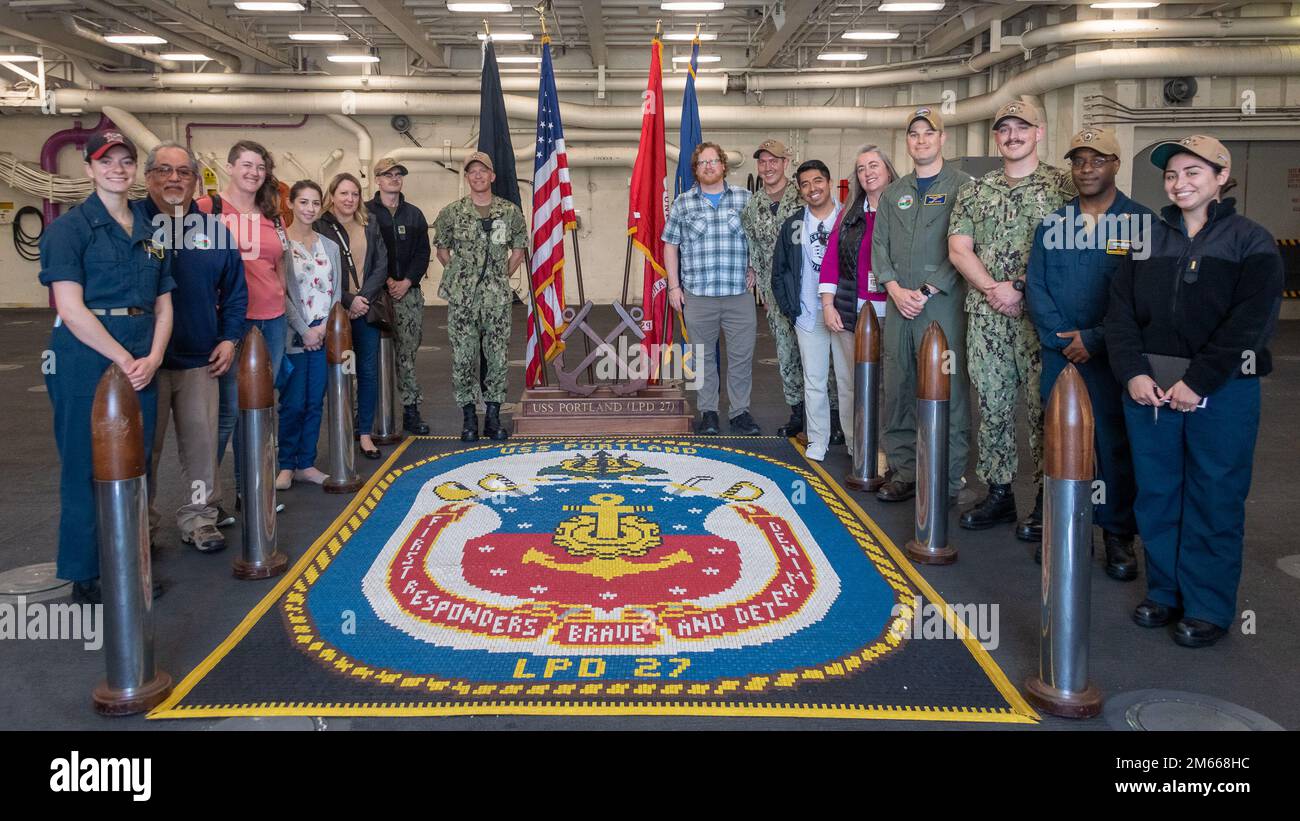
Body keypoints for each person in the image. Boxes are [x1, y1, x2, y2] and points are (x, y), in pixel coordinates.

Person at [1107, 135, 1282, 647]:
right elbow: (1119, 313)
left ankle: (1206, 606)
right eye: (1171, 175)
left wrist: (1198, 382)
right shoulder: (1145, 239)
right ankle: (1164, 591)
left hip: (1222, 392)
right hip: (1149, 392)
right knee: (1158, 495)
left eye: (1193, 173)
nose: (1179, 183)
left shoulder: (1252, 241)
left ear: (1221, 177)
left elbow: (1248, 325)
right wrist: (1134, 374)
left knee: (1214, 496)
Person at [40, 130, 175, 603]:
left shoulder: (149, 229)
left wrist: (154, 356)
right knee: (87, 464)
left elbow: (164, 301)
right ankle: (87, 571)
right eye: (106, 161)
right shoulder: (69, 230)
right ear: (89, 169)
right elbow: (71, 308)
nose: (117, 169)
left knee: (133, 466)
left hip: (142, 351)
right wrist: (122, 359)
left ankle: (128, 563)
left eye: (125, 161)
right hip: (86, 356)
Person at [1026, 127, 1152, 576]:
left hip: (1115, 359)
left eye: (1097, 160)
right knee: (1061, 443)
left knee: (1115, 447)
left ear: (1116, 165)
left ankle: (1118, 534)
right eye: (1078, 161)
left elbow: (1144, 298)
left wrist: (1094, 339)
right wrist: (1064, 338)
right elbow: (1037, 287)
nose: (1086, 169)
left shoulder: (1141, 224)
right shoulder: (1053, 225)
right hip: (1060, 357)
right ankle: (1064, 530)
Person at [948, 98, 1076, 540]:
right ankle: (1000, 493)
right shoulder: (975, 189)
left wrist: (1020, 286)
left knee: (1046, 408)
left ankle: (1046, 497)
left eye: (1022, 127)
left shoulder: (1064, 187)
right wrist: (992, 289)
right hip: (988, 318)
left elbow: (1074, 251)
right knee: (995, 407)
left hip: (1044, 318)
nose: (1013, 135)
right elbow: (959, 248)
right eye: (1004, 129)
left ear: (1039, 132)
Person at [142, 141, 247, 555]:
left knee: (202, 448)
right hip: (141, 363)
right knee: (141, 452)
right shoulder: (132, 223)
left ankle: (200, 517)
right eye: (165, 170)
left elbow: (235, 291)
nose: (174, 179)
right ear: (148, 177)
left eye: (184, 172)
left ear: (194, 179)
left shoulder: (213, 231)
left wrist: (229, 337)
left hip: (199, 359)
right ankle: (139, 526)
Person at [873, 109, 972, 504]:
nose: (920, 140)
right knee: (897, 388)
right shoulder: (894, 193)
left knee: (947, 392)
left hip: (941, 307)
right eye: (913, 134)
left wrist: (929, 290)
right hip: (900, 307)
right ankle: (905, 471)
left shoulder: (964, 187)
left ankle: (946, 479)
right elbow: (880, 246)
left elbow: (967, 247)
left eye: (928, 133)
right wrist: (895, 289)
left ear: (942, 138)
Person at [198, 140, 287, 522]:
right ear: (230, 167)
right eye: (246, 165)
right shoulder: (206, 210)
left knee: (262, 410)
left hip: (273, 318)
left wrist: (281, 296)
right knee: (226, 414)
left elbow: (279, 264)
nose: (253, 172)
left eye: (260, 167)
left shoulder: (272, 214)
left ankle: (249, 493)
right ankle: (203, 502)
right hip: (231, 323)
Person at [740, 139, 841, 440]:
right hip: (778, 293)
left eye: (774, 160)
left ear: (786, 163)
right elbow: (755, 249)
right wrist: (765, 293)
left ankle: (833, 418)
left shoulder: (805, 197)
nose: (768, 167)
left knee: (828, 358)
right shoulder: (752, 206)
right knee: (787, 355)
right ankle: (798, 413)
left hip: (816, 289)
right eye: (762, 161)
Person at [663, 142, 760, 436]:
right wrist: (673, 287)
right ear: (696, 169)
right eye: (702, 162)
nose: (708, 166)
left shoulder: (745, 199)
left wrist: (754, 267)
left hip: (738, 295)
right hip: (698, 295)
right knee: (702, 358)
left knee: (742, 357)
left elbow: (757, 239)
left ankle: (740, 412)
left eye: (714, 161)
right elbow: (671, 245)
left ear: (723, 165)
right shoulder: (683, 202)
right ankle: (708, 413)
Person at [431, 152, 527, 441]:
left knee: (497, 358)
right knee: (463, 358)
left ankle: (494, 417)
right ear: (466, 177)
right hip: (463, 302)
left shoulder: (509, 212)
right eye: (472, 171)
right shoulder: (452, 212)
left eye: (482, 171)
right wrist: (465, 277)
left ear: (492, 176)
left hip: (497, 300)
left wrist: (497, 277)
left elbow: (518, 251)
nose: (477, 176)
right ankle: (469, 417)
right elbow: (442, 250)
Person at [819, 143, 899, 467]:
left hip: (895, 313)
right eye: (861, 168)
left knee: (893, 387)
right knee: (851, 385)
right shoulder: (849, 213)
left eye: (873, 165)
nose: (867, 172)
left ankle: (896, 454)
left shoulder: (905, 210)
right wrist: (828, 304)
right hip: (852, 313)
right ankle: (860, 449)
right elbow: (830, 262)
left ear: (889, 170)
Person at [770, 159, 842, 461]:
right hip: (808, 314)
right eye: (805, 184)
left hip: (844, 314)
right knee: (813, 381)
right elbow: (779, 270)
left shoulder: (847, 219)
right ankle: (817, 439)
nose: (812, 188)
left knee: (849, 383)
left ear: (829, 182)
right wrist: (792, 310)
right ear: (799, 190)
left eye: (817, 181)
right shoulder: (794, 225)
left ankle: (854, 441)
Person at [315, 172, 389, 460]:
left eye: (355, 194)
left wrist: (363, 299)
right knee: (338, 373)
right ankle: (340, 429)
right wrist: (348, 300)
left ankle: (364, 433)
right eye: (344, 193)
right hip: (333, 312)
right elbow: (322, 270)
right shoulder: (320, 226)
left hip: (365, 310)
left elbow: (381, 264)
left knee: (368, 372)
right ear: (332, 195)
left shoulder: (368, 223)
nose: (349, 199)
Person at [276, 181, 342, 489]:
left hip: (322, 332)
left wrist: (323, 328)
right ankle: (286, 464)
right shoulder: (280, 243)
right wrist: (304, 330)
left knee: (315, 401)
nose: (310, 209)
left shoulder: (329, 246)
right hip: (294, 335)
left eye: (315, 203)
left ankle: (306, 463)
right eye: (303, 202)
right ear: (290, 203)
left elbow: (336, 290)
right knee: (293, 403)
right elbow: (282, 292)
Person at [366, 157, 432, 435]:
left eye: (398, 174)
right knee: (369, 357)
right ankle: (366, 415)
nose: (394, 178)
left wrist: (406, 282)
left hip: (408, 295)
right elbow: (365, 253)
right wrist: (386, 280)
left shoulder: (414, 214)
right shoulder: (365, 213)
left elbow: (423, 253)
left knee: (406, 354)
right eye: (387, 174)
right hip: (374, 296)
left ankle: (410, 411)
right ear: (377, 180)